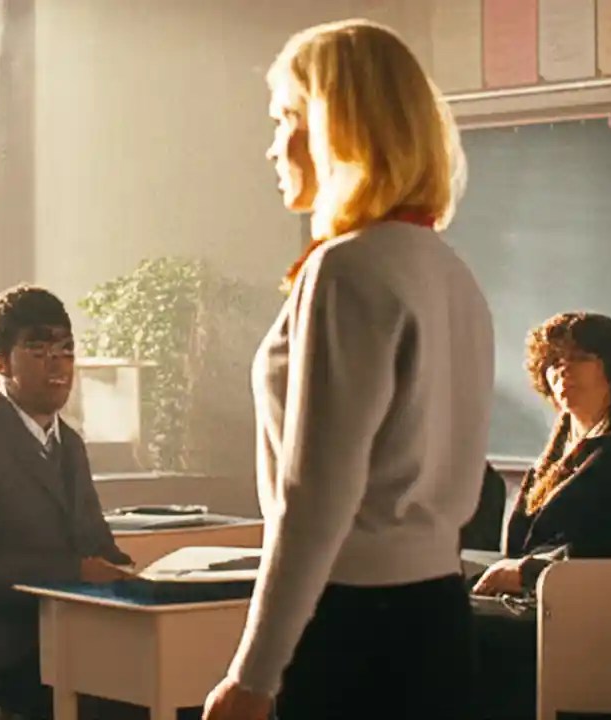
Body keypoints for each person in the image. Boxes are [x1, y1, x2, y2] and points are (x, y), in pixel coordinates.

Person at [202, 20, 492, 720]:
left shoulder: (347, 268)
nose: (273, 146)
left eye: (286, 120)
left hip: (353, 625)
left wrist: (253, 675)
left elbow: (316, 495)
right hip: (437, 615)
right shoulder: (450, 269)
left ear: (337, 127)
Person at [0, 285, 133, 718]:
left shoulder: (70, 444)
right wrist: (76, 572)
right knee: (127, 697)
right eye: (38, 351)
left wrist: (135, 577)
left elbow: (96, 544)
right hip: (0, 643)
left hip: (72, 634)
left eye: (66, 350)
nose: (57, 364)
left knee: (186, 679)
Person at [471, 312, 611, 719]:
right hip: (533, 616)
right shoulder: (548, 464)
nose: (563, 369)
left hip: (589, 631)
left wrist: (529, 572)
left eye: (581, 357)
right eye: (554, 361)